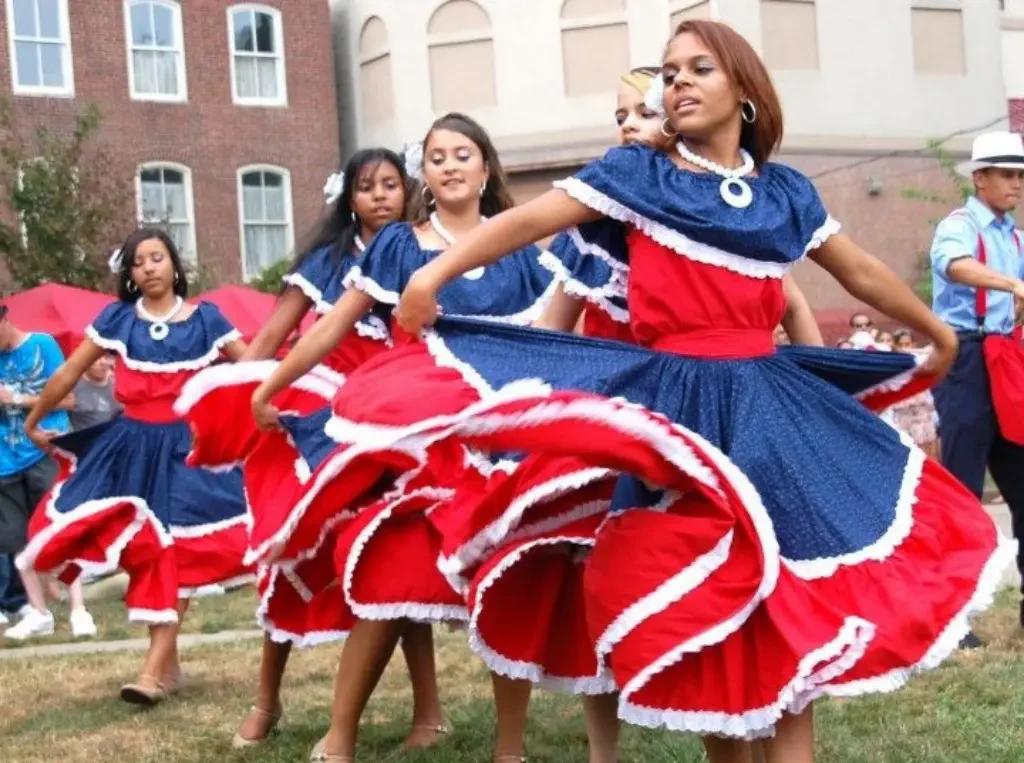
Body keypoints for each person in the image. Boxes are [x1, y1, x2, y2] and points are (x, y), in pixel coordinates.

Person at [298, 20, 1008, 763]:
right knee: (705, 594)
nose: (680, 83)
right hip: (682, 413)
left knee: (789, 585)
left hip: (768, 408)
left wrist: (934, 327)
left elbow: (856, 268)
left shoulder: (785, 192)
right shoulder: (640, 175)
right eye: (670, 74)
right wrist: (432, 273)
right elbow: (529, 220)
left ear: (746, 90)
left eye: (700, 68)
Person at [181, 112, 559, 762]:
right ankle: (340, 737)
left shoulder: (520, 249)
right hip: (414, 440)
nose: (449, 165)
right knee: (387, 574)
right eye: (436, 156)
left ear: (486, 167)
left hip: (497, 435)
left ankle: (509, 748)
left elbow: (556, 337)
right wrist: (269, 386)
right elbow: (331, 325)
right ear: (425, 175)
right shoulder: (399, 246)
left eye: (462, 154)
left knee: (509, 580)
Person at [222, 148, 448, 750]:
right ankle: (266, 700)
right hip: (320, 428)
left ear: (407, 191)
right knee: (290, 557)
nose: (380, 195)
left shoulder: (422, 255)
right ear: (348, 197)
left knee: (397, 561)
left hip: (396, 429)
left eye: (391, 184)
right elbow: (271, 338)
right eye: (367, 186)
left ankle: (429, 712)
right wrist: (238, 398)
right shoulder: (325, 263)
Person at [20, 227, 253, 705]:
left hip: (187, 449)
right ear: (129, 273)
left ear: (174, 264)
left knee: (177, 552)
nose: (148, 267)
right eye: (138, 261)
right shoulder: (119, 319)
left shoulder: (207, 319)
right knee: (146, 552)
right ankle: (169, 669)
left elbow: (252, 370)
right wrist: (35, 417)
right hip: (132, 449)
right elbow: (68, 370)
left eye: (156, 257)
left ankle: (151, 671)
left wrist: (239, 418)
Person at [929, 129, 1024, 630]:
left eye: (1020, 176)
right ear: (980, 178)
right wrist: (1011, 283)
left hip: (1005, 358)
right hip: (965, 359)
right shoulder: (960, 225)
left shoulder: (1014, 236)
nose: (1017, 185)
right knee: (962, 492)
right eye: (1007, 175)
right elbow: (954, 265)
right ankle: (953, 620)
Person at [0, 309, 96, 639]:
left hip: (45, 453)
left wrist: (15, 398)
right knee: (18, 542)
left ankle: (79, 608)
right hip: (5, 462)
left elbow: (68, 400)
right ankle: (39, 613)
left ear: (4, 320)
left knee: (62, 531)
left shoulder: (42, 345)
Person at [69, 354, 120, 431]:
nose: (103, 362)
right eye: (97, 357)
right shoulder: (72, 384)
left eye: (107, 357)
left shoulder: (118, 380)